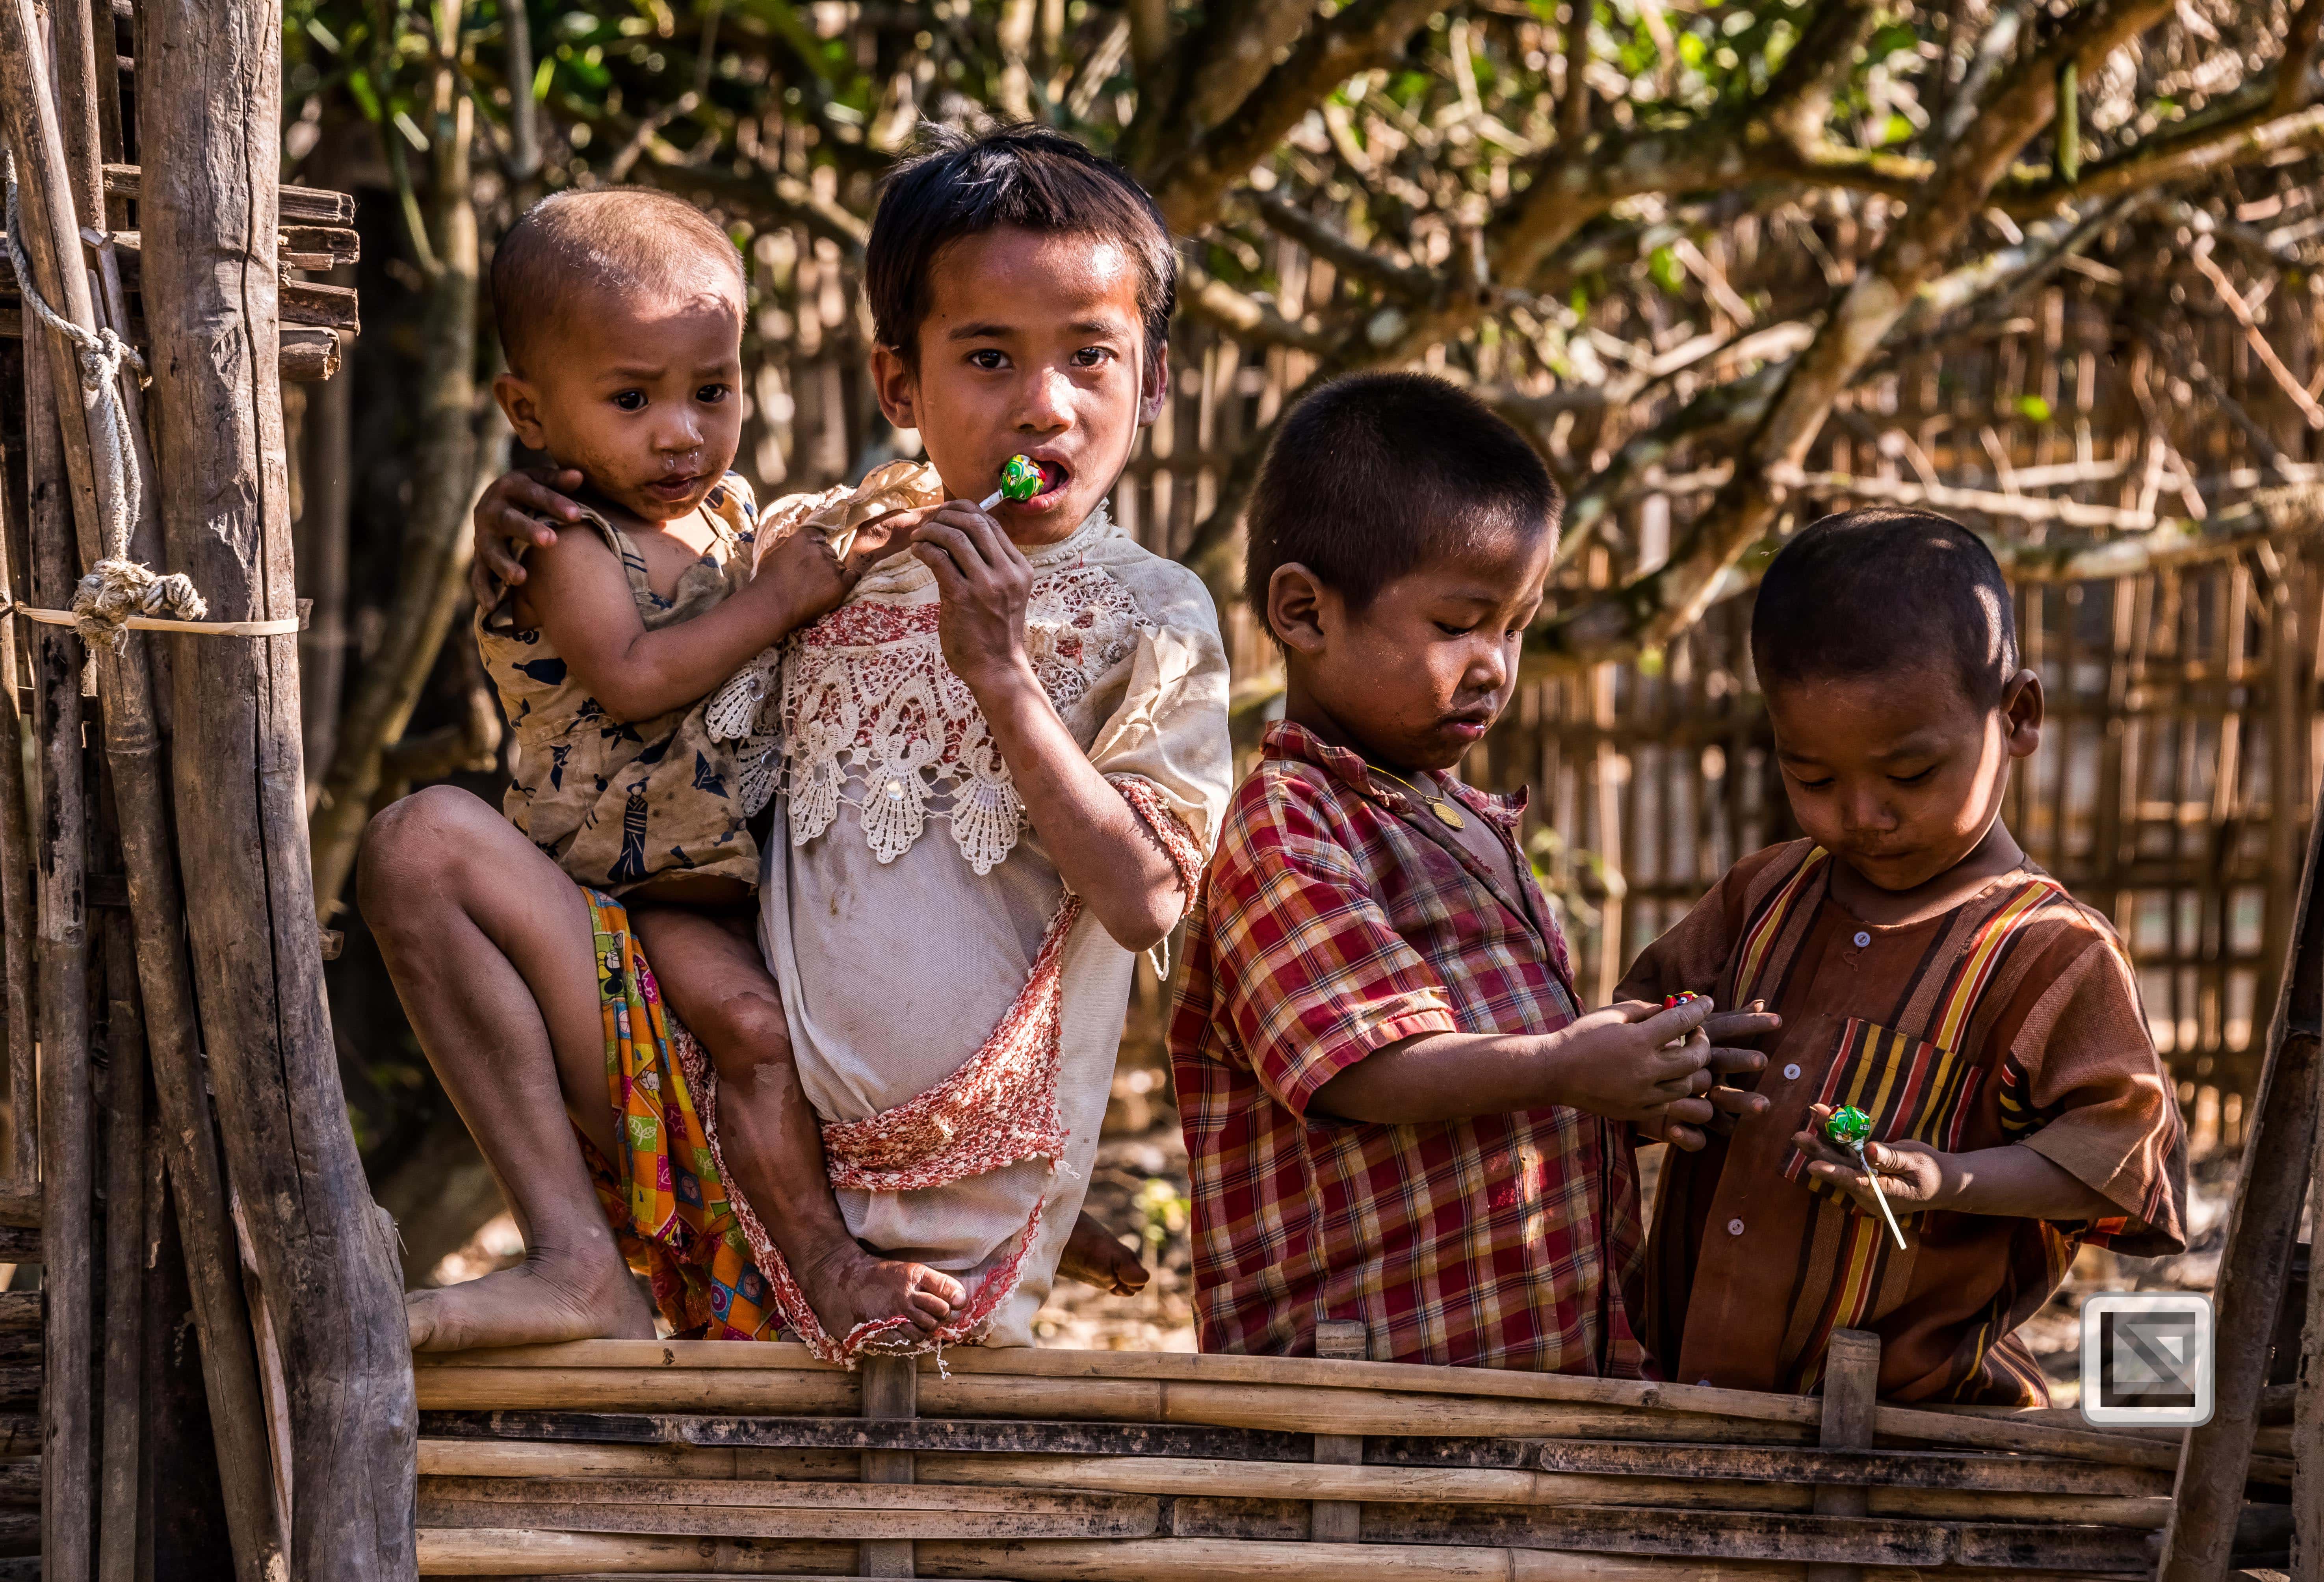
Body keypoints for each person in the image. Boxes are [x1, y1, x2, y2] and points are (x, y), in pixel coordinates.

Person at [382, 126, 1228, 1358]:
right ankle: (575, 1261)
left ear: (1153, 386)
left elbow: (1148, 899)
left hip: (944, 1230)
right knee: (421, 846)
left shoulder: (1153, 617)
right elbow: (647, 580)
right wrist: (535, 507)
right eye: (987, 357)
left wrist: (998, 673)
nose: (1044, 404)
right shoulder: (826, 549)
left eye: (1092, 358)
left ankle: (827, 1270)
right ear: (901, 388)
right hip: (721, 1130)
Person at [375, 184, 967, 1352]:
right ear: (527, 410)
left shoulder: (731, 512)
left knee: (772, 1027)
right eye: (632, 399)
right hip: (619, 897)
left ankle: (881, 1240)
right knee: (745, 1024)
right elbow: (638, 675)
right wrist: (786, 594)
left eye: (713, 391)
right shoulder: (559, 539)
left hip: (726, 887)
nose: (681, 433)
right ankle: (818, 1268)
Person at [1167, 371, 1775, 1374]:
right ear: (1304, 613)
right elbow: (1357, 1067)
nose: (1494, 662)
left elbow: (1523, 1070)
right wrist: (1565, 1068)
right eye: (1458, 624)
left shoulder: (1459, 816)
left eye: (1516, 625)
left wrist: (1640, 1072)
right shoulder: (1292, 822)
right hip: (1360, 1396)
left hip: (1515, 1369)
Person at [1618, 506, 2188, 1404]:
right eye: (1811, 778)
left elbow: (2116, 1157)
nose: (1861, 814)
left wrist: (1944, 1177)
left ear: (2018, 717)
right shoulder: (1758, 896)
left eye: (1910, 774)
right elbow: (1625, 1040)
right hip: (1686, 1402)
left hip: (1914, 1436)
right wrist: (1665, 1068)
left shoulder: (2048, 955)